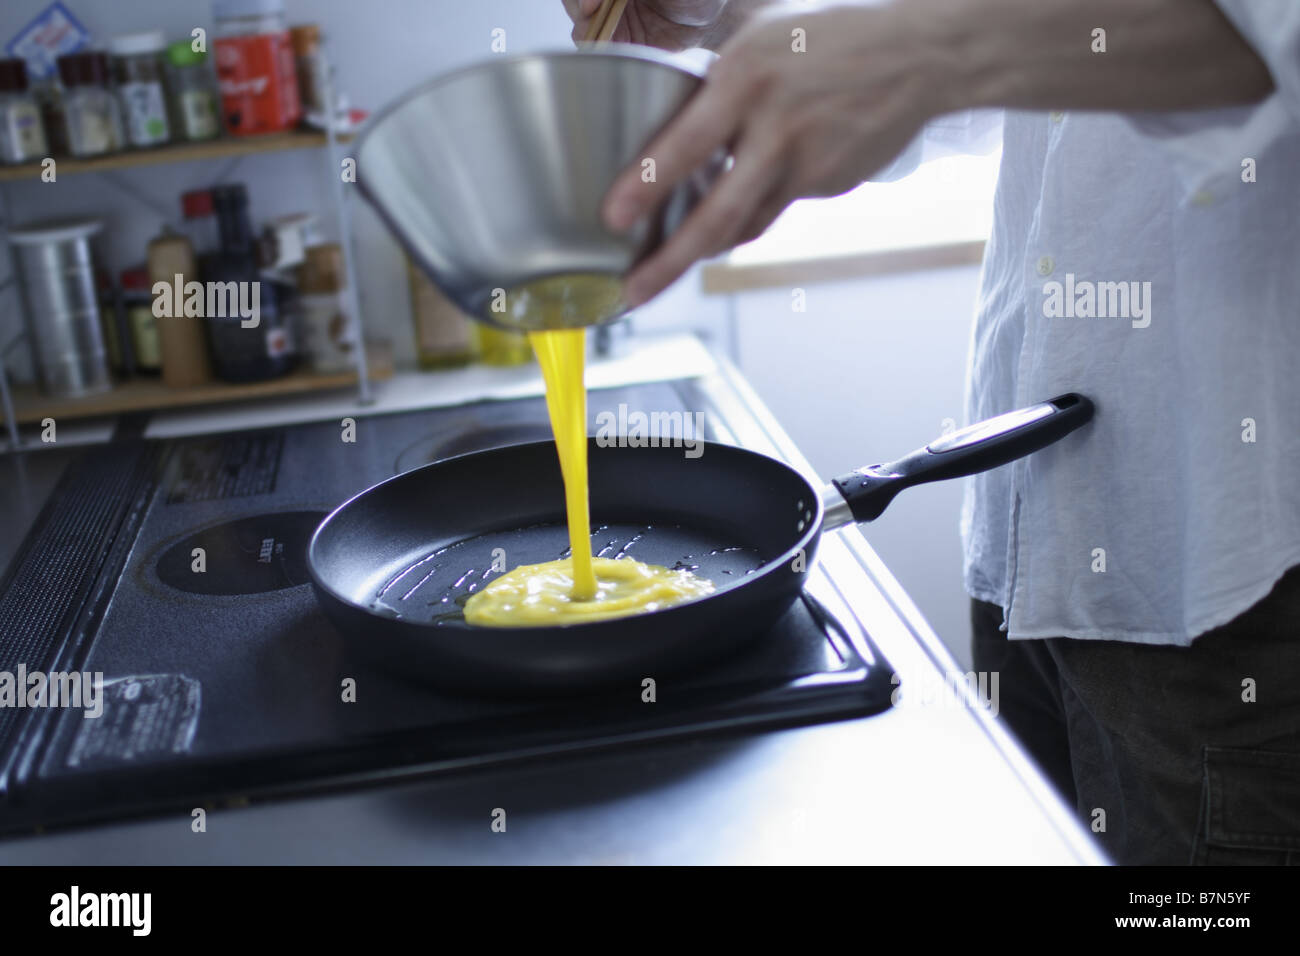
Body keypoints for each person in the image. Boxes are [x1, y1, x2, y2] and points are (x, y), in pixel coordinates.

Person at [564, 0, 1300, 865]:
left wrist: (937, 43)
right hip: (1035, 515)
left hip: (1230, 570)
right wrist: (744, 18)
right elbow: (1008, 82)